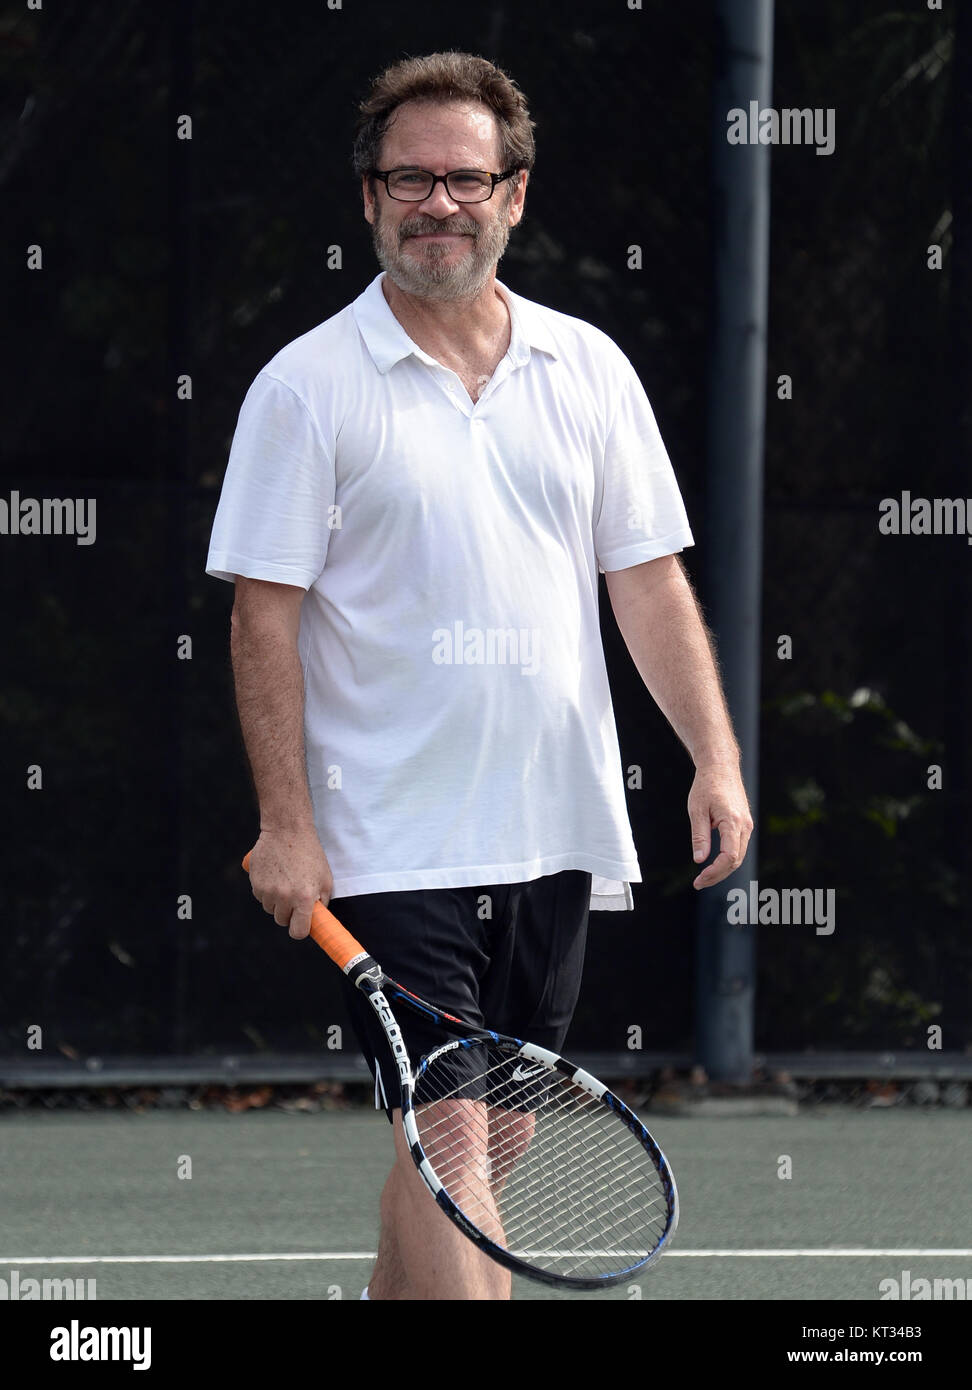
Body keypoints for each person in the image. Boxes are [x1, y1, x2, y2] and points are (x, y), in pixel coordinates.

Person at [206, 50, 752, 1301]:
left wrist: (714, 757)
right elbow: (260, 620)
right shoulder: (305, 389)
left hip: (555, 829)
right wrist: (288, 823)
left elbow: (650, 582)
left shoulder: (589, 369)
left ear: (513, 195)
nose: (436, 203)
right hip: (389, 841)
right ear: (368, 200)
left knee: (478, 1145)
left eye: (464, 178)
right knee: (454, 1146)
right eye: (409, 179)